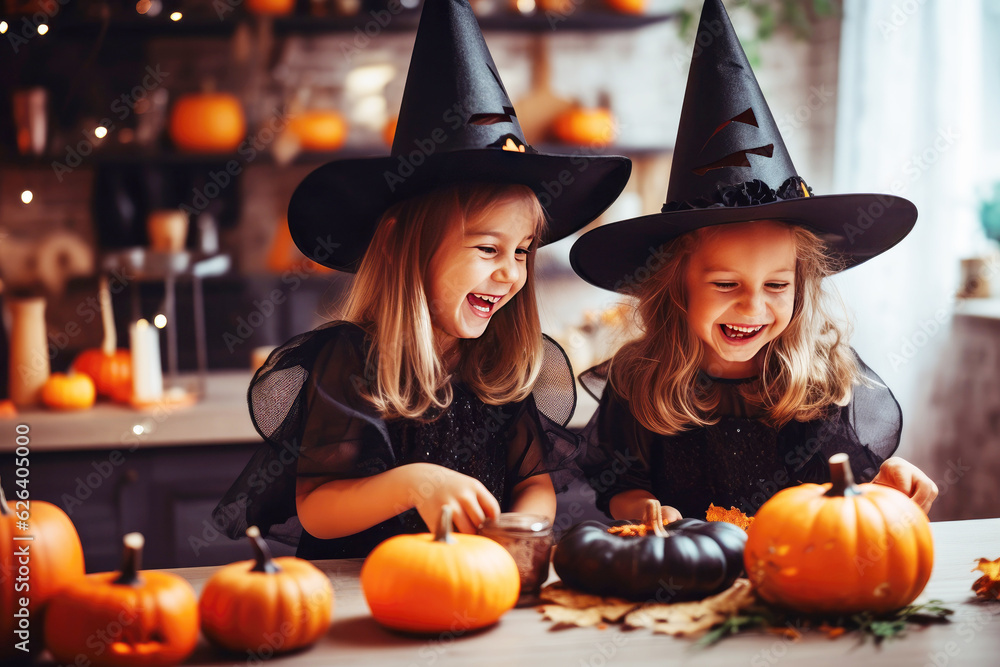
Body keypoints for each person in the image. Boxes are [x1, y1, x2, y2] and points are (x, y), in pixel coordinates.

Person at [213, 0, 630, 558]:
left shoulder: (500, 365)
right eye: (488, 249)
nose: (511, 272)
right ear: (398, 245)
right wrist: (415, 484)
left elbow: (533, 482)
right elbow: (319, 508)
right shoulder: (351, 363)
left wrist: (518, 530)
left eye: (523, 251)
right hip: (367, 590)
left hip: (475, 581)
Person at [569, 0, 937, 523]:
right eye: (725, 284)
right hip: (687, 563)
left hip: (797, 560)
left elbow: (844, 489)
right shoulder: (639, 379)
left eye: (777, 285)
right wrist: (646, 509)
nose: (753, 306)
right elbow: (620, 485)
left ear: (801, 286)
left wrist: (883, 484)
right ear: (677, 285)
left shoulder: (821, 377)